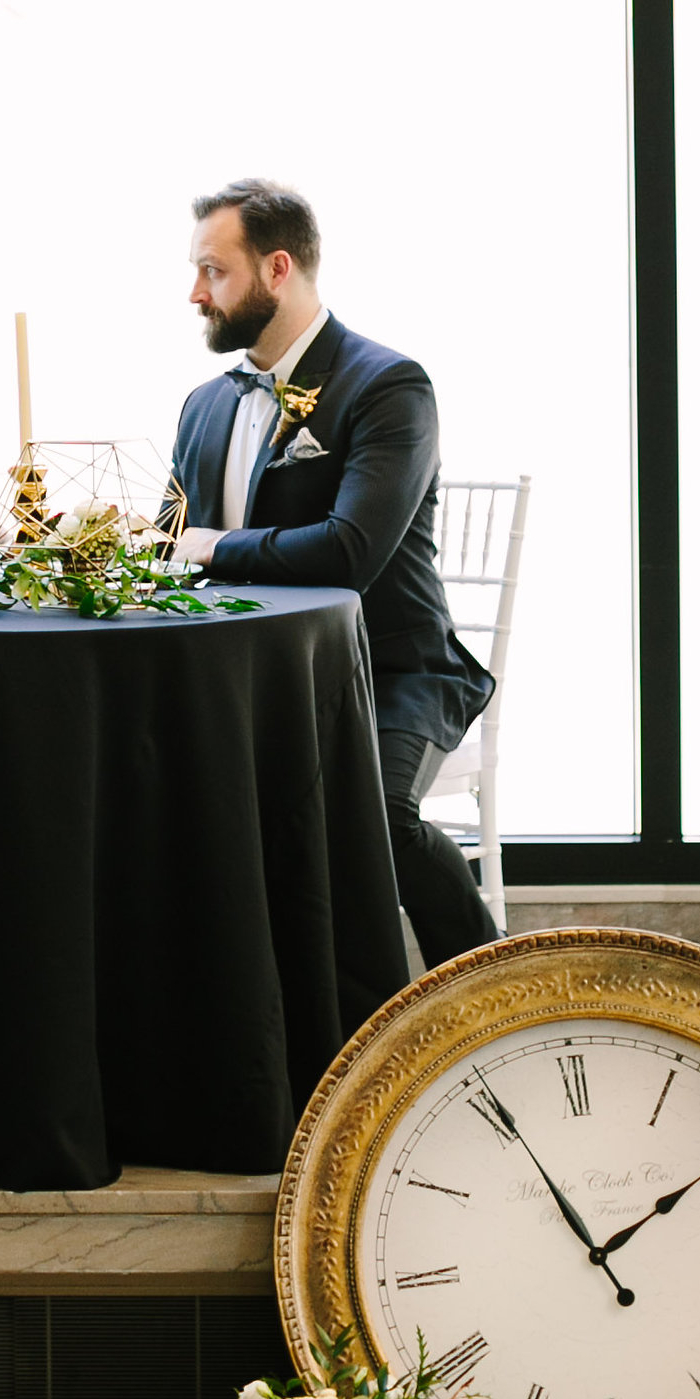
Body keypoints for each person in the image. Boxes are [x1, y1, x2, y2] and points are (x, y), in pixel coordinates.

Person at [169, 177, 498, 969]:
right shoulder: (204, 406)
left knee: (375, 813)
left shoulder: (388, 386)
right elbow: (165, 543)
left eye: (214, 271)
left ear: (278, 268)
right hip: (253, 678)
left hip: (390, 670)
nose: (194, 293)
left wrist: (212, 546)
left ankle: (493, 994)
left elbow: (349, 553)